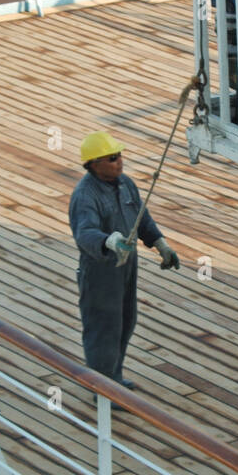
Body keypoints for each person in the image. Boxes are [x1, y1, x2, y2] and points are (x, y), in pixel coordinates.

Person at [69, 132, 180, 388]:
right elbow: (84, 233)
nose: (119, 162)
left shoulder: (125, 184)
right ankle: (102, 388)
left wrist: (160, 244)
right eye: (111, 158)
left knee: (125, 321)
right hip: (100, 271)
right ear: (94, 164)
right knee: (103, 327)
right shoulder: (85, 195)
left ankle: (113, 377)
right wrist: (110, 241)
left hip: (127, 268)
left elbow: (142, 217)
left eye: (119, 156)